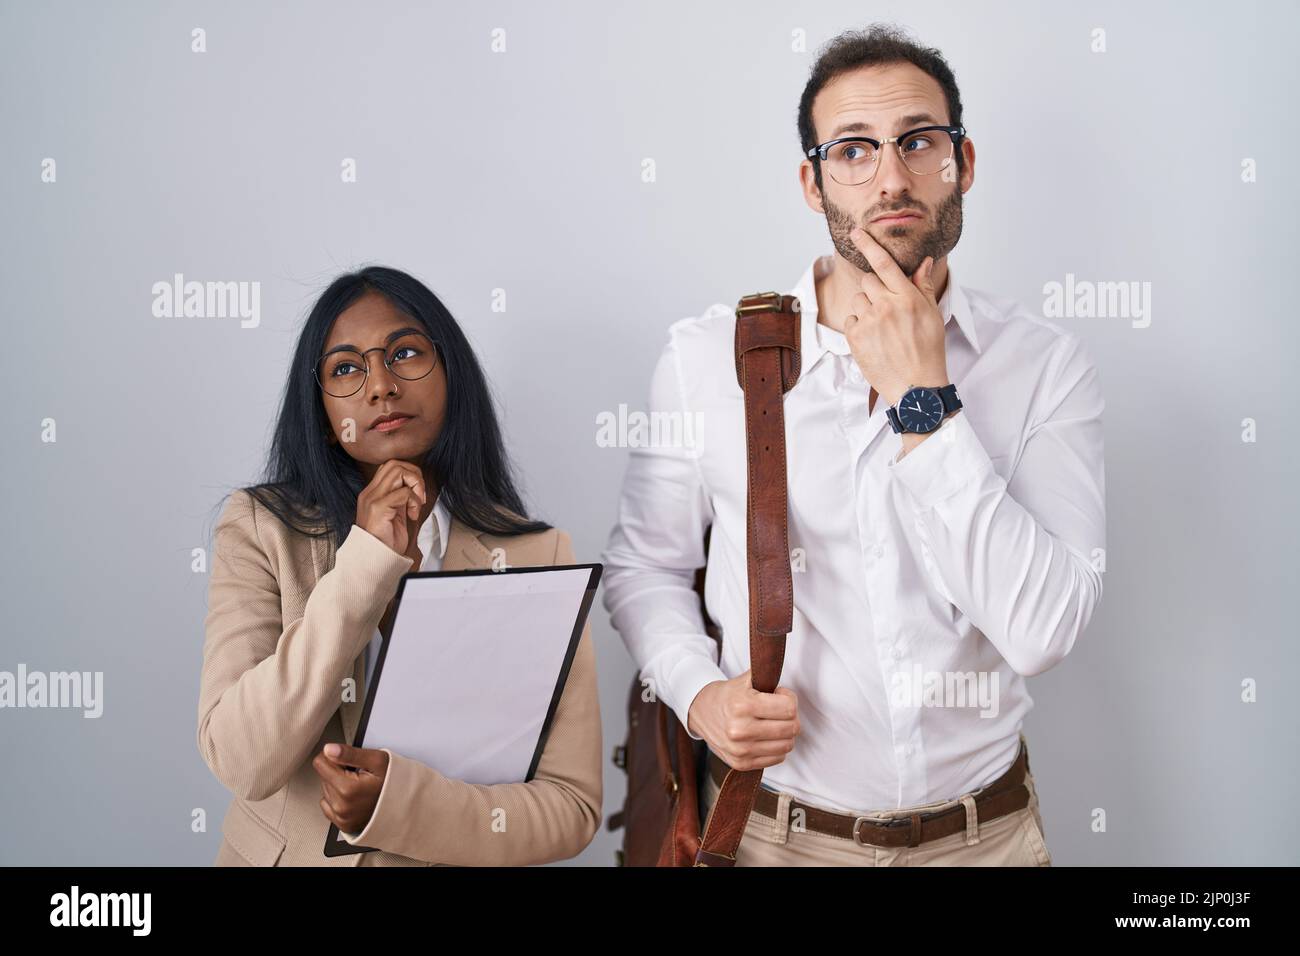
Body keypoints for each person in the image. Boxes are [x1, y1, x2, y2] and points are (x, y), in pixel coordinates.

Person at [602, 24, 1105, 866]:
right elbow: (643, 566)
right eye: (854, 151)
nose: (892, 178)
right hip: (775, 838)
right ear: (813, 181)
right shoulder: (706, 359)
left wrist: (924, 403)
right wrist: (699, 695)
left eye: (918, 142)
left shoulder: (1045, 367)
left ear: (964, 164)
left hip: (989, 840)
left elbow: (1044, 630)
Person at [198, 265, 601, 866]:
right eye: (346, 368)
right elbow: (242, 759)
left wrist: (398, 804)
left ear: (451, 376)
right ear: (327, 422)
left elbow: (570, 807)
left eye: (405, 353)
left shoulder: (538, 555)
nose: (380, 385)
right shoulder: (260, 527)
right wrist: (367, 562)